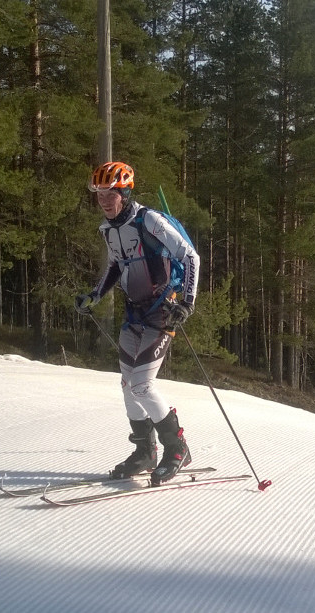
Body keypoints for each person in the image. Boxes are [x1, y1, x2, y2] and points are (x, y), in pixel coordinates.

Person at [75, 161, 200, 486]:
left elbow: (190, 257)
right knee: (127, 384)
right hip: (134, 313)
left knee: (142, 385)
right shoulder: (108, 229)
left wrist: (186, 302)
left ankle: (177, 448)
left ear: (125, 192)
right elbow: (117, 265)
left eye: (111, 193)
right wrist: (94, 295)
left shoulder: (150, 221)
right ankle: (146, 452)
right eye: (100, 194)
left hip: (162, 312)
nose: (104, 200)